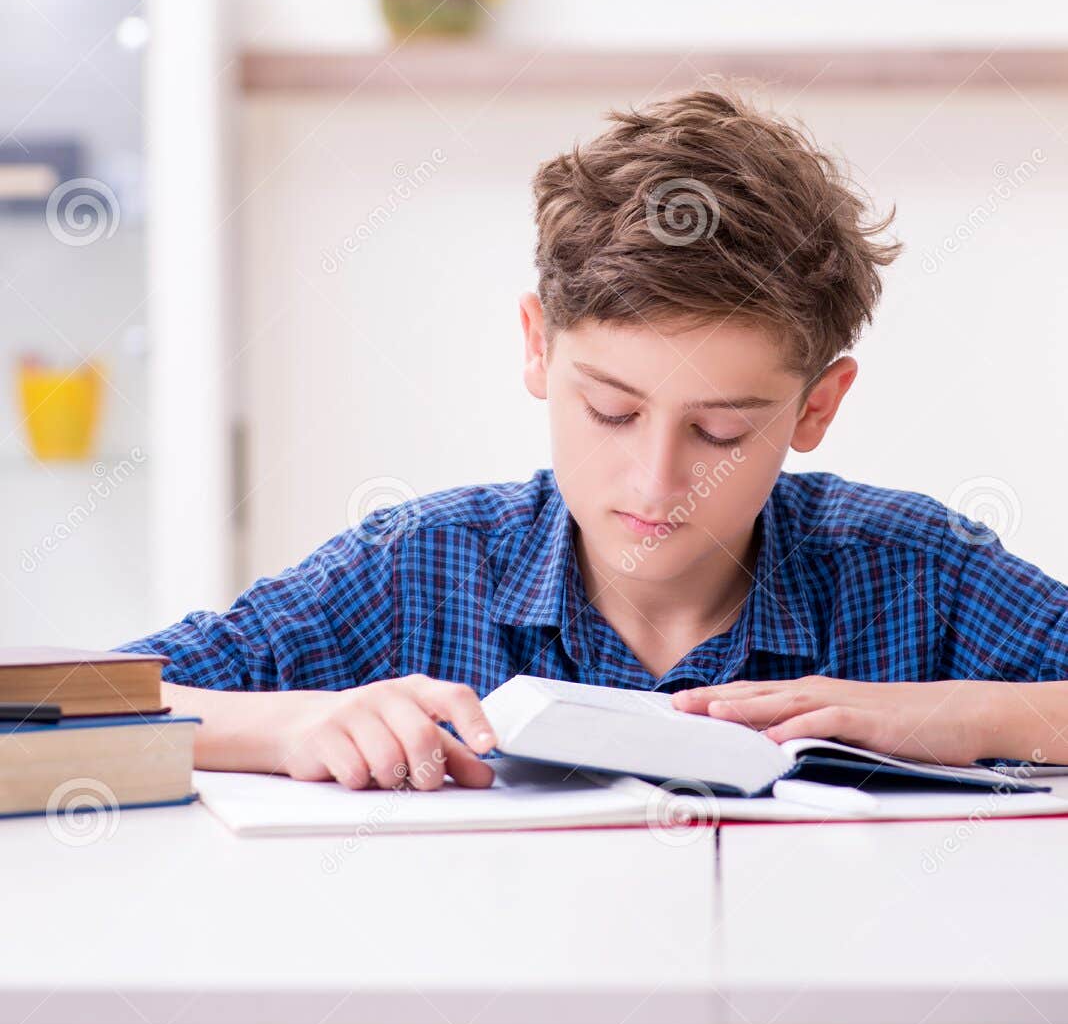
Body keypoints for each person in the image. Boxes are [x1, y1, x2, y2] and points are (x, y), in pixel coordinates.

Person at [114, 88, 1068, 787]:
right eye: (612, 412)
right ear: (538, 347)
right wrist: (287, 727)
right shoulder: (419, 571)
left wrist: (969, 713)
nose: (657, 481)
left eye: (722, 431)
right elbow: (53, 709)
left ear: (816, 408)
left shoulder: (913, 573)